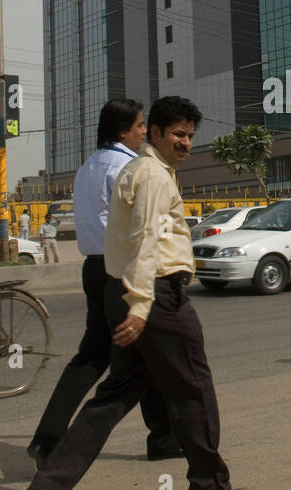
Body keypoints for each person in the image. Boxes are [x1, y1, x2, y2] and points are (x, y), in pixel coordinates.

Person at [25, 96, 254, 490]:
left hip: (124, 288)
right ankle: (209, 489)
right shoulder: (151, 175)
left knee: (115, 394)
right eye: (177, 134)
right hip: (156, 295)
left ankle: (50, 486)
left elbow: (126, 239)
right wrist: (142, 305)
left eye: (190, 135)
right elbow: (146, 238)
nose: (185, 143)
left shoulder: (137, 169)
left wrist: (128, 298)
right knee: (194, 390)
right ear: (154, 134)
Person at [28, 99, 180, 467]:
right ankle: (161, 438)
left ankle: (47, 439)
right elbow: (142, 226)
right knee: (146, 356)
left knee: (95, 356)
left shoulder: (86, 168)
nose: (144, 132)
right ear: (121, 131)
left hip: (94, 268)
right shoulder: (130, 167)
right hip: (124, 268)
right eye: (140, 126)